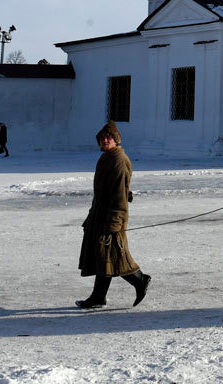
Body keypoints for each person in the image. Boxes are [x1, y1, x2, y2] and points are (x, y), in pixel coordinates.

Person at [75, 121, 151, 309]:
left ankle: (140, 280)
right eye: (102, 138)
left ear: (116, 140)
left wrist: (115, 221)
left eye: (109, 137)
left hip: (112, 217)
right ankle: (98, 297)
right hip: (101, 215)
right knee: (104, 257)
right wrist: (91, 217)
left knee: (115, 255)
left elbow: (119, 196)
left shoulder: (118, 160)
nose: (105, 140)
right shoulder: (107, 158)